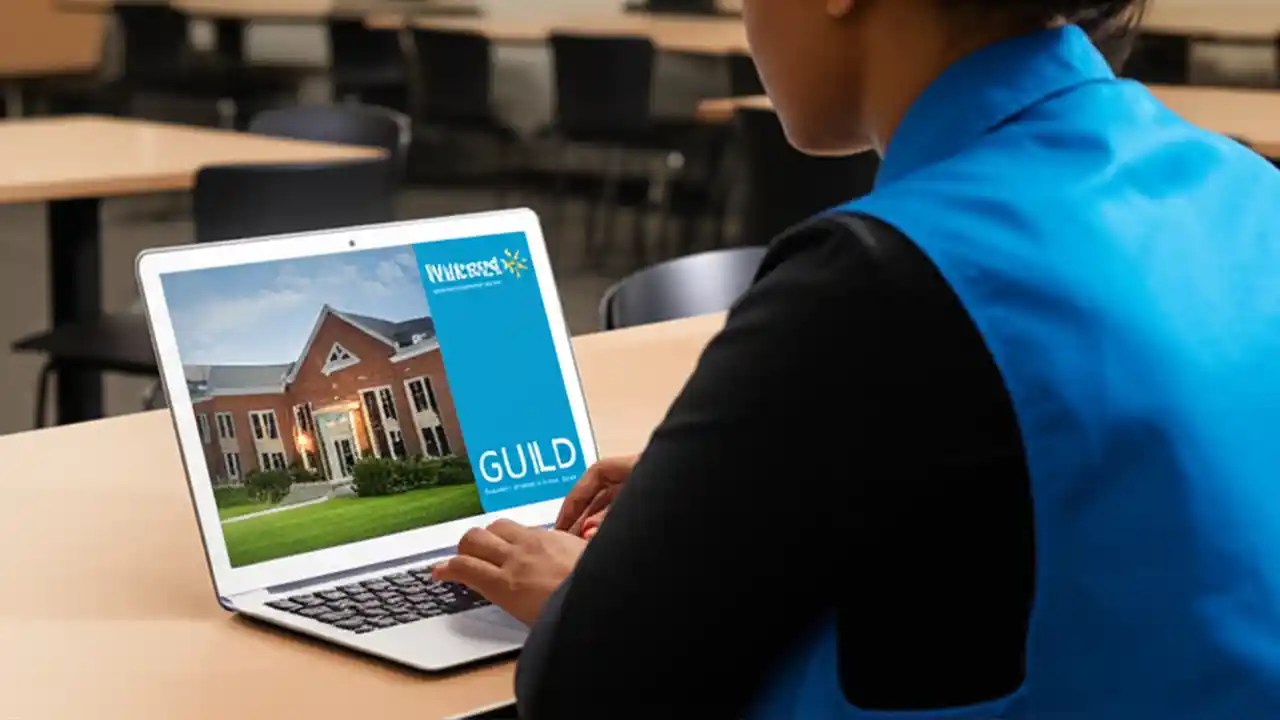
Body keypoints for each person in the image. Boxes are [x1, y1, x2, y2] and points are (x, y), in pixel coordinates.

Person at [434, 0, 1280, 716]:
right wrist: (725, 491)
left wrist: (582, 592)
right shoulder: (1242, 185)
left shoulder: (882, 277)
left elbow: (594, 691)